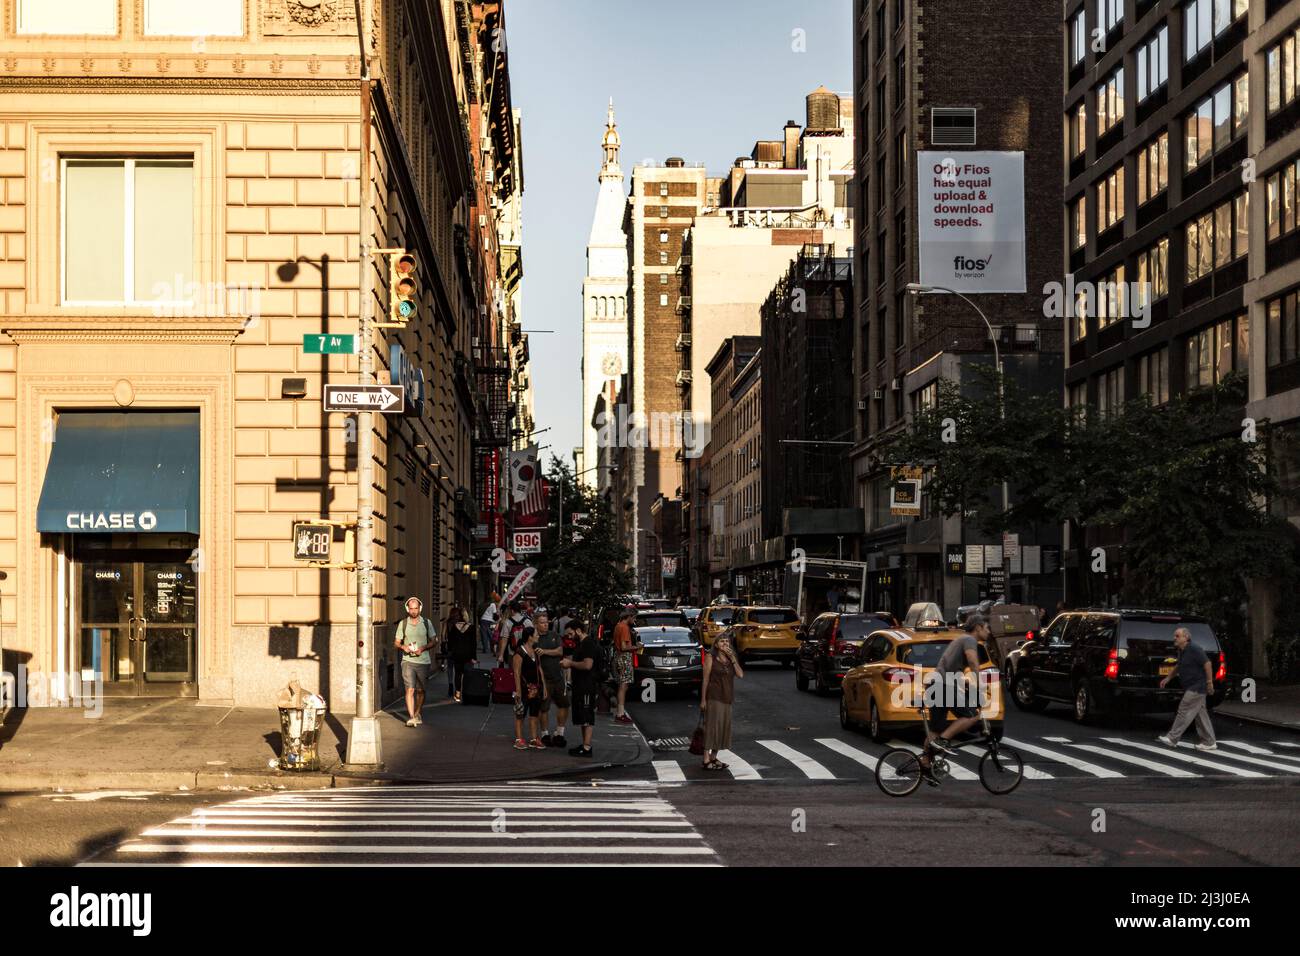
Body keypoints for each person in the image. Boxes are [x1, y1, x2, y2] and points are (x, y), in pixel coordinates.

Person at [920, 614, 989, 778]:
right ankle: (943, 741)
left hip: (937, 684)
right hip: (944, 685)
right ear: (978, 627)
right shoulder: (969, 640)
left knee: (935, 729)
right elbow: (972, 661)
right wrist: (978, 682)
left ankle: (925, 762)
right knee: (972, 716)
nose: (989, 632)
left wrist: (965, 684)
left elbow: (951, 666)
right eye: (986, 628)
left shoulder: (961, 639)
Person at [1158, 627, 1217, 751]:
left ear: (1186, 638)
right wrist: (1168, 678)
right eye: (1175, 636)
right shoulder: (1182, 650)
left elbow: (1208, 664)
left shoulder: (1194, 649)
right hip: (1192, 686)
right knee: (1201, 715)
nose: (1174, 638)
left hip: (1197, 686)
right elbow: (1179, 666)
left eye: (1177, 636)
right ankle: (1209, 742)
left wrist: (1209, 682)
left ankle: (1172, 738)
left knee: (1183, 709)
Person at [699, 633, 744, 770]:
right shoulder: (710, 657)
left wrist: (733, 658)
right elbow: (705, 679)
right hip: (714, 697)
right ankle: (706, 759)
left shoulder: (731, 659)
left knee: (723, 728)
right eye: (722, 641)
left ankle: (714, 757)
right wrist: (703, 700)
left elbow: (740, 675)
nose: (725, 643)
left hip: (727, 697)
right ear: (716, 644)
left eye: (727, 641)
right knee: (712, 727)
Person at [394, 596, 436, 727]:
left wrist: (423, 648)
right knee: (410, 689)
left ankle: (417, 712)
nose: (413, 611)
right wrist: (403, 647)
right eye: (411, 609)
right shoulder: (403, 623)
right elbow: (396, 642)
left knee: (421, 691)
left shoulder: (426, 623)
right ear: (407, 609)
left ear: (420, 609)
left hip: (423, 661)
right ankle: (412, 716)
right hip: (407, 661)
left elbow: (434, 641)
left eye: (416, 608)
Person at [562, 620, 598, 757]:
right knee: (583, 716)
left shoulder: (587, 644)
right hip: (581, 684)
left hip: (587, 685)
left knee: (587, 715)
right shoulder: (581, 644)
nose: (569, 637)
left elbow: (588, 665)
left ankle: (587, 747)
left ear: (578, 630)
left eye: (570, 633)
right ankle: (585, 745)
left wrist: (570, 663)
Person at [534, 611, 570, 747]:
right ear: (536, 624)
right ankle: (544, 734)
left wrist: (545, 652)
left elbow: (560, 651)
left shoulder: (554, 635)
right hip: (544, 679)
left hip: (558, 677)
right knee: (544, 708)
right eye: (542, 623)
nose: (545, 625)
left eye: (546, 622)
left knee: (564, 704)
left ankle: (559, 733)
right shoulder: (534, 638)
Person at [511, 625, 545, 750]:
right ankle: (519, 739)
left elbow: (539, 669)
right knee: (520, 714)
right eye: (536, 634)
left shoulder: (535, 651)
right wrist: (518, 690)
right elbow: (516, 672)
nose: (538, 636)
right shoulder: (519, 652)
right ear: (530, 637)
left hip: (536, 688)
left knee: (534, 714)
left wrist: (544, 686)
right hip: (524, 688)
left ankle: (533, 739)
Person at [611, 606, 643, 724]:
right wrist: (637, 647)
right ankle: (620, 713)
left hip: (618, 656)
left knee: (623, 685)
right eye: (634, 617)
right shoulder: (624, 627)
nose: (634, 620)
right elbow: (625, 647)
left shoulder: (618, 626)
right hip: (624, 658)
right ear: (629, 616)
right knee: (623, 686)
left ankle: (621, 712)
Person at [446, 606, 477, 703]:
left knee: (458, 674)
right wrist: (474, 657)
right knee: (468, 674)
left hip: (457, 654)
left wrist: (451, 651)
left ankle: (458, 693)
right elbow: (473, 644)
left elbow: (450, 642)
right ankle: (467, 693)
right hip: (468, 654)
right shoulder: (471, 627)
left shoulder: (455, 627)